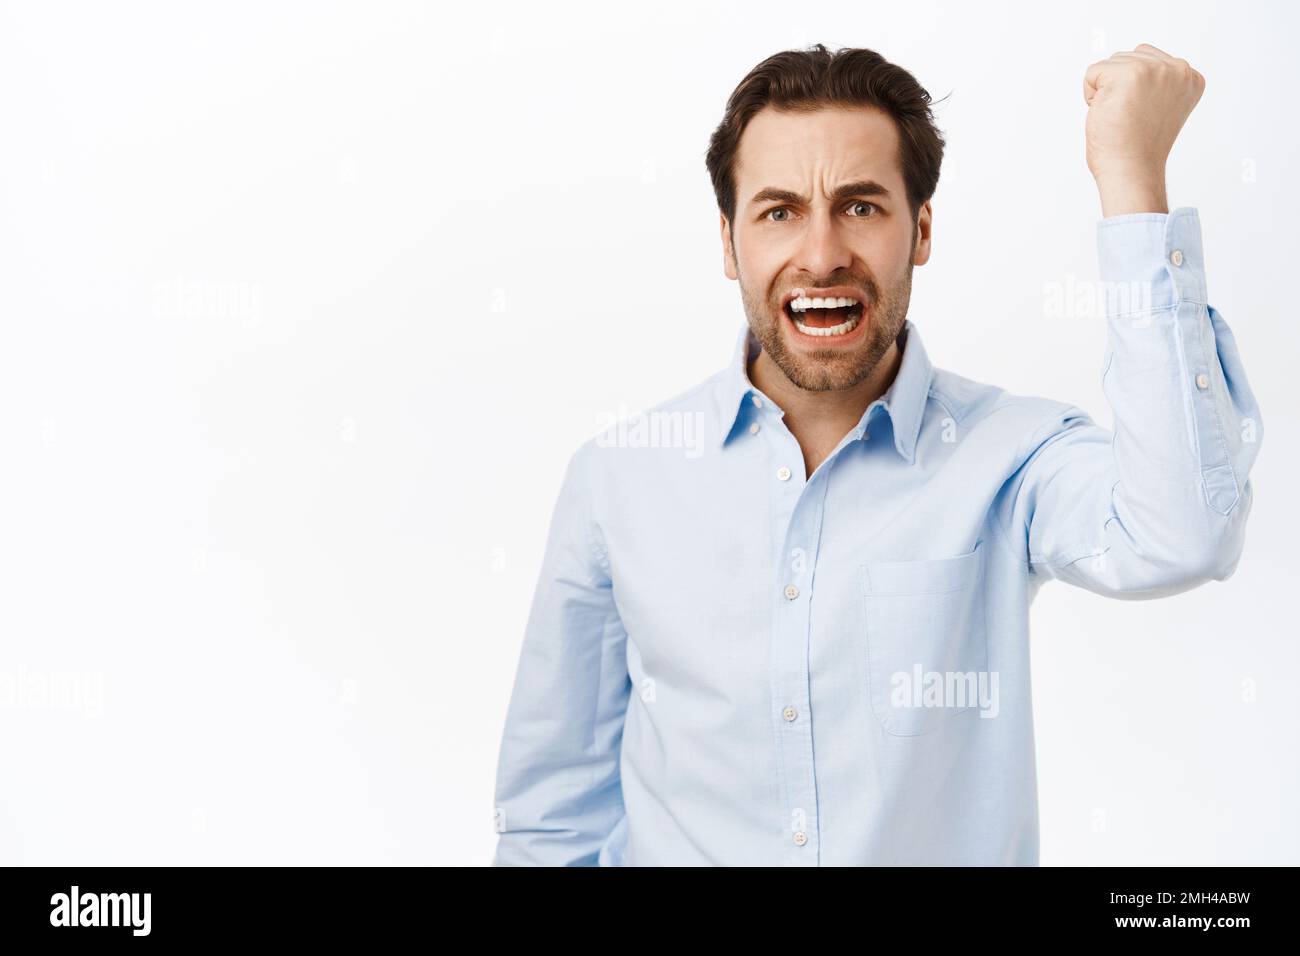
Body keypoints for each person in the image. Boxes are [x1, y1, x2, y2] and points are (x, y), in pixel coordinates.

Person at [491, 43, 1262, 865]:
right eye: (779, 211)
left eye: (860, 207)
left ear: (920, 229)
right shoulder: (620, 480)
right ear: (728, 243)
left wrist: (1129, 178)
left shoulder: (1012, 458)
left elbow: (1184, 533)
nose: (821, 255)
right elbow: (552, 817)